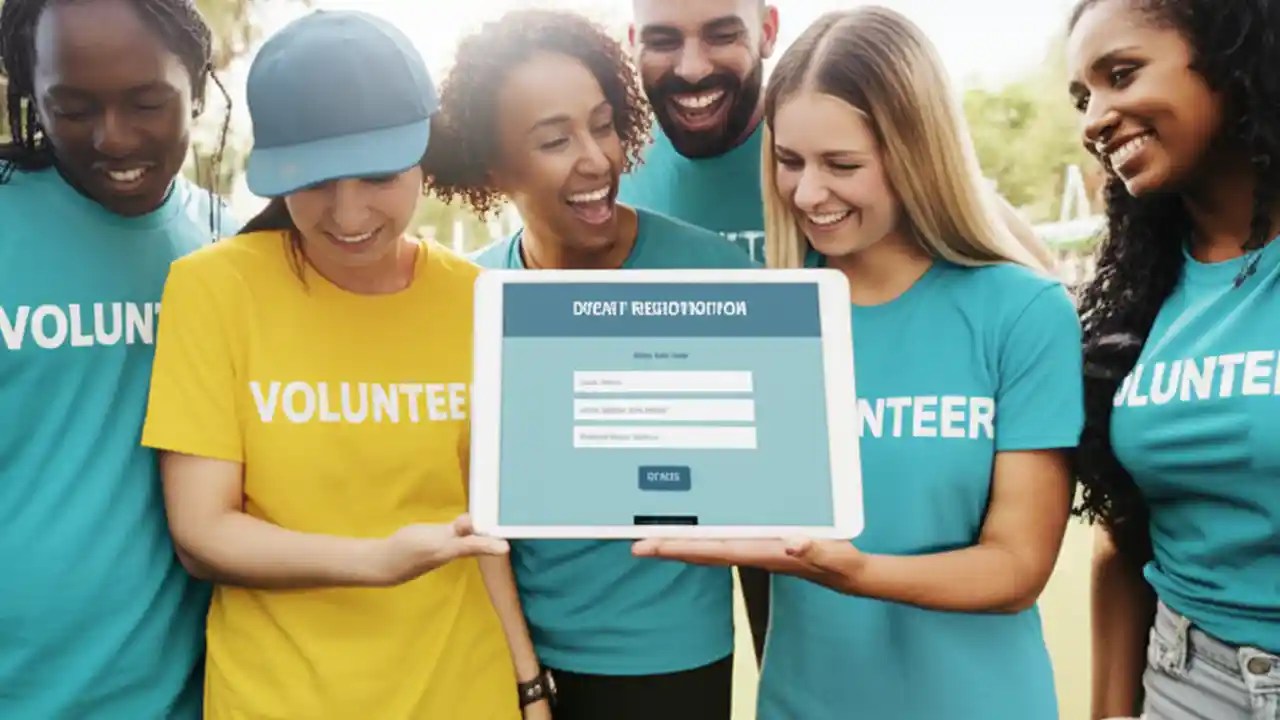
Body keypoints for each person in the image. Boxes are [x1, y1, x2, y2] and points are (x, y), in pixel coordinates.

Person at [633, 7, 1084, 720]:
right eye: (788, 162)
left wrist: (858, 571)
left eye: (842, 165)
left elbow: (1017, 566)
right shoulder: (765, 317)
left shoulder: (1023, 313)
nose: (808, 194)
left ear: (915, 152)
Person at [138, 10, 545, 719]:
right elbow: (203, 533)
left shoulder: (480, 301)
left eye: (378, 176)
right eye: (316, 180)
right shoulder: (214, 290)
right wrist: (375, 562)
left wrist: (528, 685)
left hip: (462, 692)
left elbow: (483, 529)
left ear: (424, 152)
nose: (347, 211)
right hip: (278, 699)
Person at [424, 9, 754, 720]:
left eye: (602, 124)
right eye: (554, 139)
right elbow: (479, 520)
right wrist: (527, 680)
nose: (597, 159)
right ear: (490, 164)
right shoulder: (470, 300)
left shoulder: (715, 276)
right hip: (514, 668)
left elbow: (762, 507)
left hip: (675, 666)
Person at [0, 0, 233, 716]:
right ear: (29, 95)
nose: (114, 138)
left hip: (190, 697)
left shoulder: (229, 247)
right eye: (72, 107)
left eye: (146, 102)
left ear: (196, 87)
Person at [1066, 0, 1280, 717]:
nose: (1094, 118)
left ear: (1227, 54)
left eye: (1121, 75)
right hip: (1188, 681)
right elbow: (1123, 535)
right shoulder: (1140, 298)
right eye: (1083, 97)